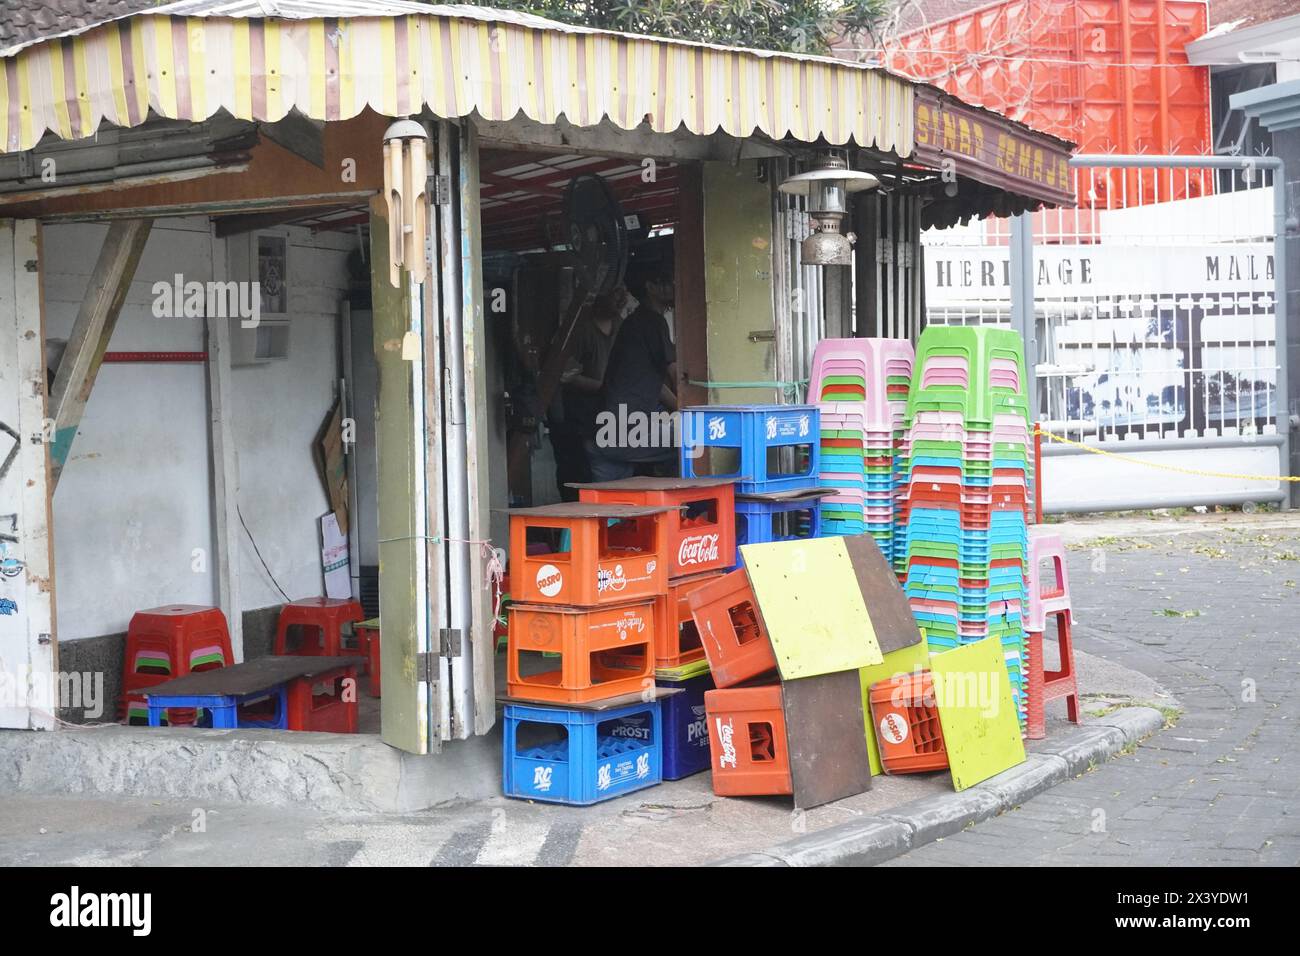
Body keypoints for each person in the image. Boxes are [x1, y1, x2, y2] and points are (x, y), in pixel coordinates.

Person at [586, 261, 677, 481]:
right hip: (624, 430)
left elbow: (656, 385)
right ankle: (686, 511)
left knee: (611, 510)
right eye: (664, 282)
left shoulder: (635, 323)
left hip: (605, 432)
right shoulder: (652, 321)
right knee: (693, 441)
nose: (673, 286)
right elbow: (677, 374)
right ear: (650, 287)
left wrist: (680, 407)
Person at [548, 289, 623, 500]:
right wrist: (601, 387)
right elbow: (565, 375)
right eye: (615, 293)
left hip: (608, 416)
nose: (621, 297)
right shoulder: (580, 331)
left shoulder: (621, 326)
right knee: (576, 473)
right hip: (576, 416)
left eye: (622, 292)